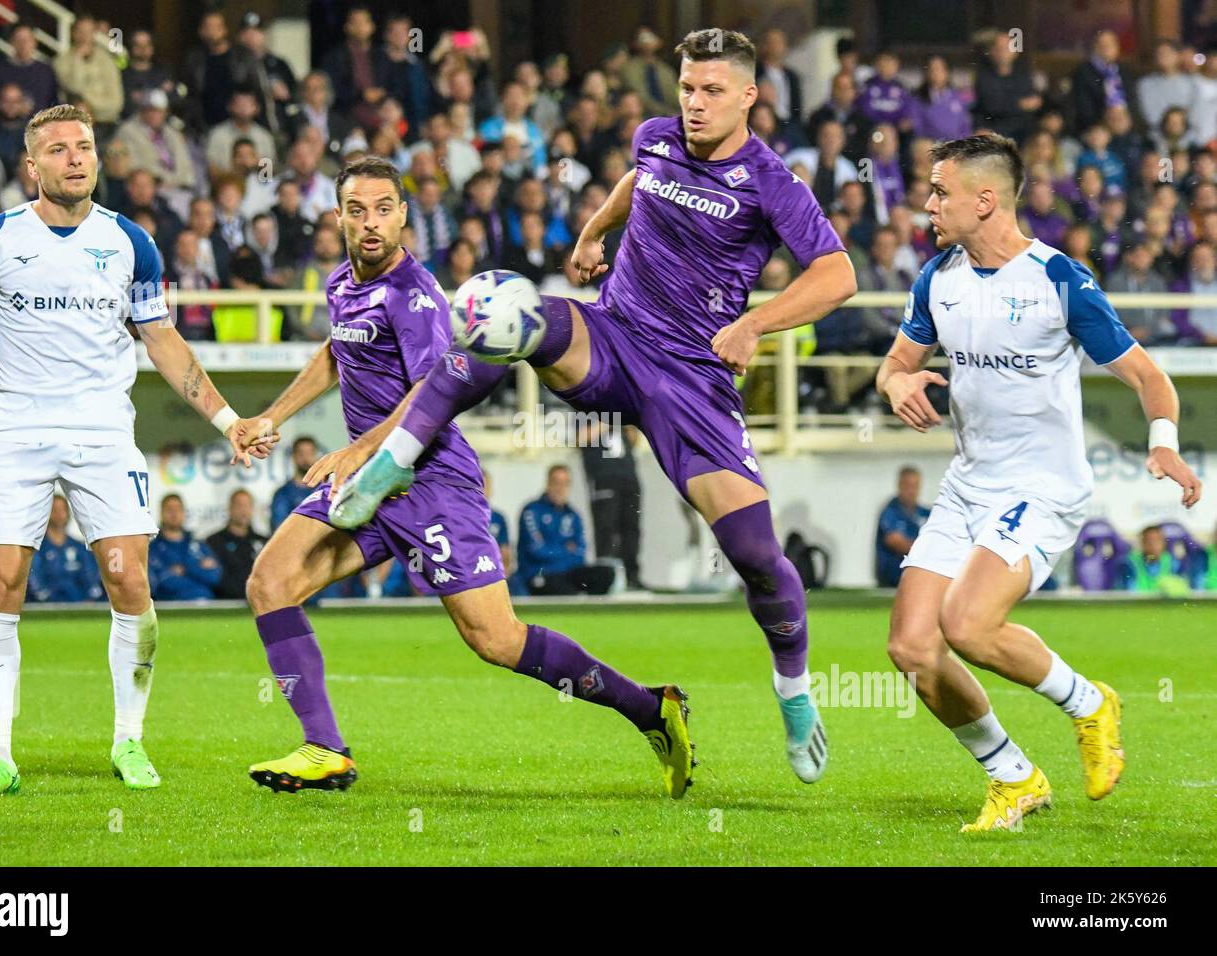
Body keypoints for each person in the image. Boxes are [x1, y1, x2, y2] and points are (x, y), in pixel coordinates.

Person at [326, 30, 856, 784]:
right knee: (503, 319)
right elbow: (638, 182)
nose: (694, 104)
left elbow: (837, 276)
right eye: (686, 88)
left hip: (691, 382)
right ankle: (392, 461)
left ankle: (795, 693)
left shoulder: (773, 182)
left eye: (711, 91)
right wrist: (593, 230)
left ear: (748, 96)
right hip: (613, 335)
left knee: (757, 561)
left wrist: (754, 323)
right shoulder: (656, 138)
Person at [227, 157, 693, 798]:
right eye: (357, 210)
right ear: (337, 216)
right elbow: (337, 352)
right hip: (371, 484)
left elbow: (428, 390)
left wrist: (359, 451)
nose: (370, 223)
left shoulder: (412, 293)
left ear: (404, 215)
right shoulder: (342, 283)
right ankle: (325, 749)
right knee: (270, 582)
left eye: (384, 208)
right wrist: (272, 415)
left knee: (497, 640)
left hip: (430, 482)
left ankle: (651, 708)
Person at [0, 103, 266, 797]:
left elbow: (162, 340)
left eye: (84, 146)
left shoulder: (133, 242)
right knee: (0, 584)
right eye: (58, 149)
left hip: (103, 431)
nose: (75, 158)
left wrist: (227, 418)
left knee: (131, 583)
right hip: (16, 429)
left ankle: (129, 741)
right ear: (32, 166)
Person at [876, 132, 1202, 831]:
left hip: (1042, 485)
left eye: (940, 192)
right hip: (969, 483)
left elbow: (1149, 377)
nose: (927, 203)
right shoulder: (938, 277)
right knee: (910, 646)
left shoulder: (1060, 280)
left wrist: (1165, 444)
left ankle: (1089, 702)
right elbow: (893, 363)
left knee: (966, 623)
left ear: (985, 199)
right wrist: (898, 381)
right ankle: (1011, 775)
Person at [515, 464, 614, 595]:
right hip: (540, 574)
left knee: (606, 573)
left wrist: (553, 549)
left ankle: (592, 612)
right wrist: (566, 549)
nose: (560, 488)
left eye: (565, 483)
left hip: (568, 573)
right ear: (548, 484)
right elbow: (536, 551)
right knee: (562, 588)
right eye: (556, 483)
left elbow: (580, 552)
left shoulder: (573, 515)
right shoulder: (531, 511)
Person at [579, 419, 642, 589]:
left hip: (628, 476)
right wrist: (610, 418)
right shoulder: (583, 409)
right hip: (604, 477)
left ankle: (632, 577)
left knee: (631, 528)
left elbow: (634, 441)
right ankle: (607, 579)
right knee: (606, 528)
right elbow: (580, 438)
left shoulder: (618, 407)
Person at [26, 496, 104, 603]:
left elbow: (91, 577)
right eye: (54, 510)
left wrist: (88, 600)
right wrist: (48, 602)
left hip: (80, 605)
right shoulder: (37, 550)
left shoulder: (79, 548)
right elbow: (35, 580)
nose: (59, 514)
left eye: (63, 510)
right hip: (47, 608)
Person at [148, 495, 222, 600]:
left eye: (178, 509)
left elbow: (214, 578)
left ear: (184, 513)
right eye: (169, 509)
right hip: (170, 609)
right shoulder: (152, 550)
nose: (174, 513)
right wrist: (198, 567)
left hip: (205, 605)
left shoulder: (198, 546)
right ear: (161, 513)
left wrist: (185, 569)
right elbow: (160, 584)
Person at [874, 466, 930, 588]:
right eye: (907, 485)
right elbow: (895, 541)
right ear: (899, 485)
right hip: (893, 581)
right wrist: (928, 552)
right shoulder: (891, 511)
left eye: (915, 486)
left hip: (918, 580)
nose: (911, 491)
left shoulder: (926, 513)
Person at [207, 489, 267, 600]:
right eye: (239, 505)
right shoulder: (214, 542)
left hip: (261, 603)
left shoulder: (264, 542)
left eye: (247, 505)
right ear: (229, 509)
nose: (243, 510)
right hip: (227, 605)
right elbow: (216, 577)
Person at [1118, 525, 1190, 594]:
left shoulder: (1173, 563)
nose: (1153, 544)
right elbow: (1128, 590)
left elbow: (1182, 590)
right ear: (1142, 543)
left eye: (1157, 540)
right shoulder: (1130, 563)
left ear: (1164, 542)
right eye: (1149, 540)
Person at [271, 436, 321, 531]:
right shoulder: (283, 494)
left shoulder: (326, 491)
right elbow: (280, 530)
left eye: (310, 453)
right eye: (301, 454)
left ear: (316, 456)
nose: (306, 458)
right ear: (294, 456)